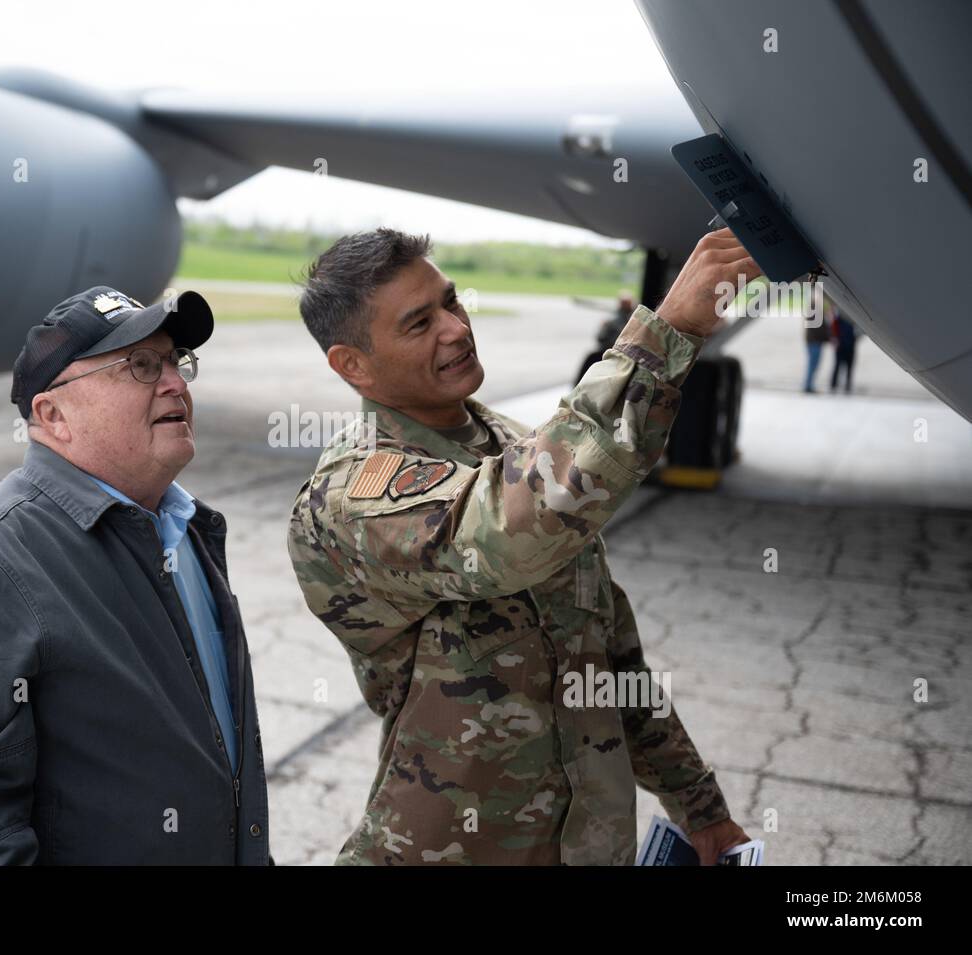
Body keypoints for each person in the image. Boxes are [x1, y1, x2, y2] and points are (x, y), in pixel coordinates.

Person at [287, 227, 754, 865]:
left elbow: (612, 662)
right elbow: (507, 531)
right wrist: (666, 334)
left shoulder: (515, 445)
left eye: (451, 302)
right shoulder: (357, 491)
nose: (455, 328)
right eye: (419, 323)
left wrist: (700, 808)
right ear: (353, 365)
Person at [0, 286, 270, 865]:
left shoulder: (185, 530)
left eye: (174, 362)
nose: (176, 384)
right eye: (140, 365)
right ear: (52, 414)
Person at [804, 305, 832, 392]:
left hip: (814, 342)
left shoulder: (815, 311)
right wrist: (828, 338)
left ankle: (809, 385)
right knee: (813, 365)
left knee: (813, 365)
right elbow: (818, 329)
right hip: (815, 342)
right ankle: (808, 386)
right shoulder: (815, 311)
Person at [830, 307, 857, 393]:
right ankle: (834, 384)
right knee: (838, 365)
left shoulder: (853, 318)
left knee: (849, 367)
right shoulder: (839, 318)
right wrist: (835, 339)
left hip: (849, 344)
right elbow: (833, 327)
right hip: (841, 345)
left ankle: (847, 385)